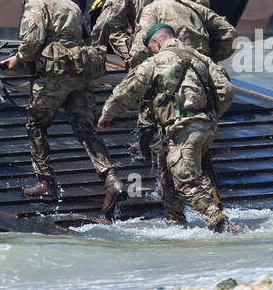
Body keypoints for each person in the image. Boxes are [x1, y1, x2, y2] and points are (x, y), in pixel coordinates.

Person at [3, 0, 125, 214]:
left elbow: (32, 41)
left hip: (53, 77)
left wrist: (17, 59)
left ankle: (46, 182)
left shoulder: (36, 3)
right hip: (80, 74)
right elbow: (84, 34)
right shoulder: (71, 4)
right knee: (85, 128)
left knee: (36, 124)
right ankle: (112, 179)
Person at [98, 23, 242, 232]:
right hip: (206, 126)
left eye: (150, 47)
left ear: (155, 42)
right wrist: (211, 115)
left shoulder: (156, 61)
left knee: (185, 180)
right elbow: (226, 90)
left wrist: (107, 114)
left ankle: (221, 224)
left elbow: (128, 89)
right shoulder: (202, 58)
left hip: (184, 127)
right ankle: (175, 223)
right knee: (167, 177)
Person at [129, 0, 236, 66]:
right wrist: (213, 58)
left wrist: (135, 72)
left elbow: (140, 47)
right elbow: (229, 31)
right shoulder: (195, 7)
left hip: (172, 68)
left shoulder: (152, 9)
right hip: (202, 69)